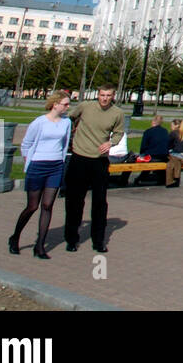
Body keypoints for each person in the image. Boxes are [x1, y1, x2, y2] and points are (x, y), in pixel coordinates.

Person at [10, 91, 72, 258]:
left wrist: (60, 160)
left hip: (55, 166)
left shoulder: (66, 122)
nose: (68, 107)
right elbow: (26, 144)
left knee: (47, 205)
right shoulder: (39, 122)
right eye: (65, 104)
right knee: (32, 206)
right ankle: (15, 237)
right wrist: (29, 161)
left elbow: (65, 143)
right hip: (38, 165)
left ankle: (39, 246)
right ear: (55, 104)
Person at [63, 85, 125, 253]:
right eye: (102, 95)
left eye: (108, 95)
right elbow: (69, 118)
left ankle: (98, 240)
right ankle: (71, 238)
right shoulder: (85, 106)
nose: (104, 98)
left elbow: (119, 133)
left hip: (99, 161)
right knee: (75, 201)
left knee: (99, 202)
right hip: (79, 158)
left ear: (113, 96)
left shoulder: (117, 113)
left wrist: (110, 142)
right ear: (97, 95)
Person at [135, 114, 171, 185]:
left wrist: (142, 154)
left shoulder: (148, 132)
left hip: (152, 156)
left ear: (153, 122)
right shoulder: (165, 131)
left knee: (145, 158)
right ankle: (162, 178)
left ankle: (140, 178)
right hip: (163, 156)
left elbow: (143, 146)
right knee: (157, 161)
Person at [166, 119, 183, 187]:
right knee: (173, 161)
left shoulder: (173, 133)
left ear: (176, 125)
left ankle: (171, 181)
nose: (170, 127)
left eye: (171, 125)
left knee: (170, 163)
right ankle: (175, 178)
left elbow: (167, 145)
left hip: (178, 155)